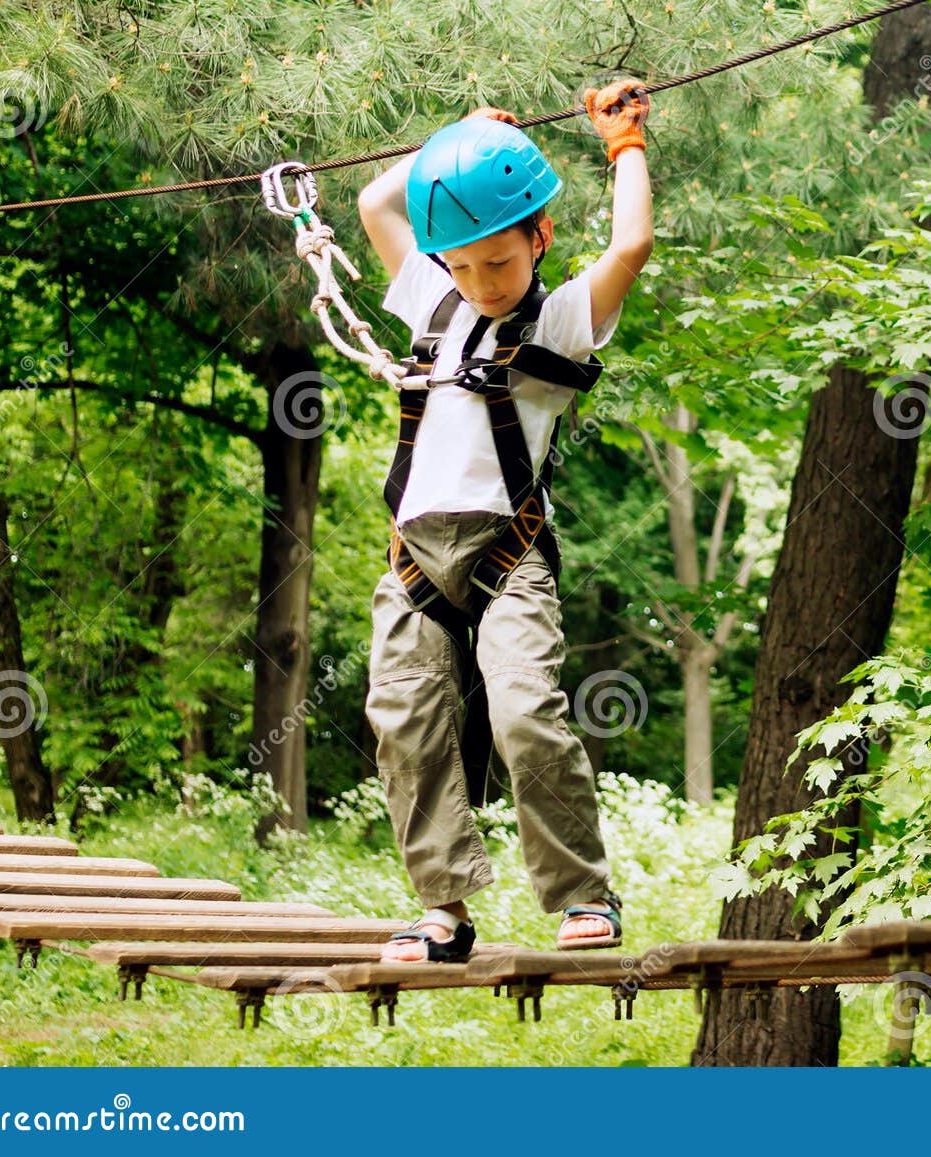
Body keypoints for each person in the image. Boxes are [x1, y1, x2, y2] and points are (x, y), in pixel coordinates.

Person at [355, 80, 652, 962]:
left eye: (501, 262)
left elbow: (631, 243)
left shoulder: (561, 320)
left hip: (506, 552)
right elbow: (379, 201)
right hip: (413, 555)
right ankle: (442, 908)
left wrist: (624, 145)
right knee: (403, 721)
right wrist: (460, 140)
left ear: (540, 238)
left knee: (524, 710)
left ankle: (581, 894)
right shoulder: (433, 300)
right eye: (465, 265)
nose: (482, 282)